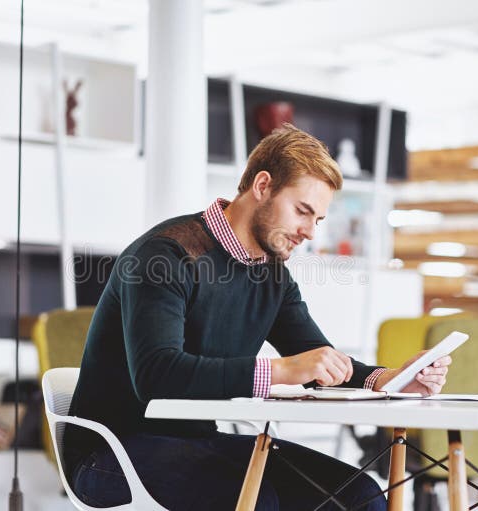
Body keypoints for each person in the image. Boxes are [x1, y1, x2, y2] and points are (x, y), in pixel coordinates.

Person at [64, 124, 450, 510]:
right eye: (302, 211)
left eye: (317, 219)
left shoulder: (271, 273)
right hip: (112, 452)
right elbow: (158, 375)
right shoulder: (165, 255)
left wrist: (388, 379)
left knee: (359, 495)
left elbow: (317, 357)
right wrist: (280, 371)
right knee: (255, 502)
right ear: (262, 186)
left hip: (198, 443)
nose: (308, 232)